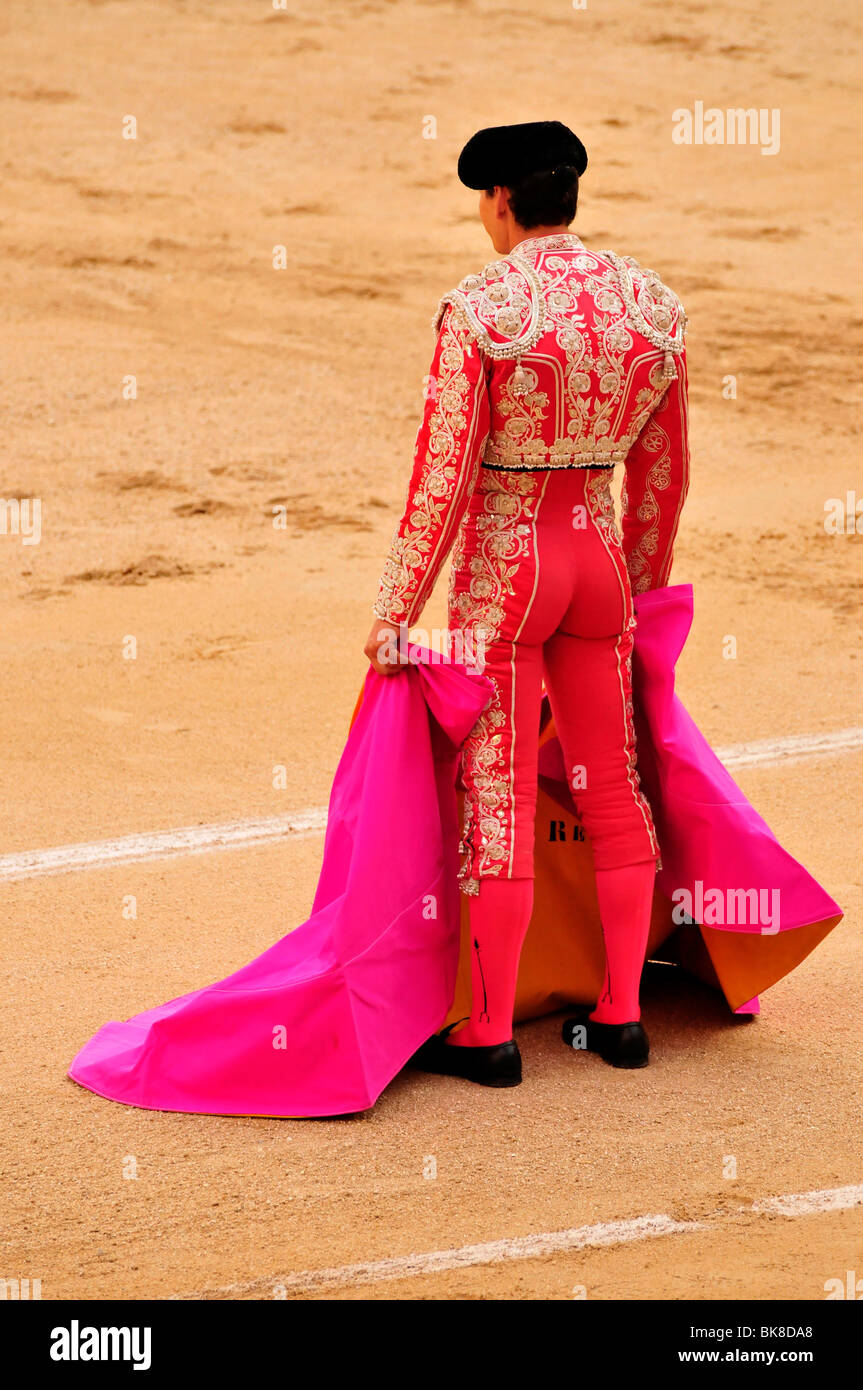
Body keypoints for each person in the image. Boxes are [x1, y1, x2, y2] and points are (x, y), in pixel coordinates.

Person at [364, 121, 689, 1085]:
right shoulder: (652, 305)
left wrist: (396, 609)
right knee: (611, 784)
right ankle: (622, 1018)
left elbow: (444, 476)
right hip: (596, 562)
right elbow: (664, 475)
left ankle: (491, 1035)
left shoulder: (480, 309)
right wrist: (636, 588)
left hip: (510, 568)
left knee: (496, 791)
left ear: (501, 202)